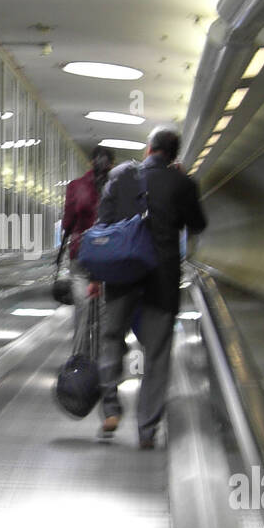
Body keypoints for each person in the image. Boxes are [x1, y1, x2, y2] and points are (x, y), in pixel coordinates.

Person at [90, 126, 206, 449]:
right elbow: (197, 225)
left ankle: (111, 409)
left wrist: (97, 276)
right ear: (174, 155)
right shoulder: (182, 183)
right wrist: (182, 186)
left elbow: (103, 222)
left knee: (111, 339)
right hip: (161, 280)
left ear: (148, 149)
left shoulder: (121, 177)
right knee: (156, 355)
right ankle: (146, 428)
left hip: (120, 275)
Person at [59, 146, 115, 310]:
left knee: (82, 307)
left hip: (81, 250)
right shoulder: (117, 187)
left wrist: (70, 230)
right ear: (112, 164)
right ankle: (105, 332)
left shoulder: (75, 186)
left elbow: (68, 221)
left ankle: (81, 334)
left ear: (90, 162)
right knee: (106, 309)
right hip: (110, 252)